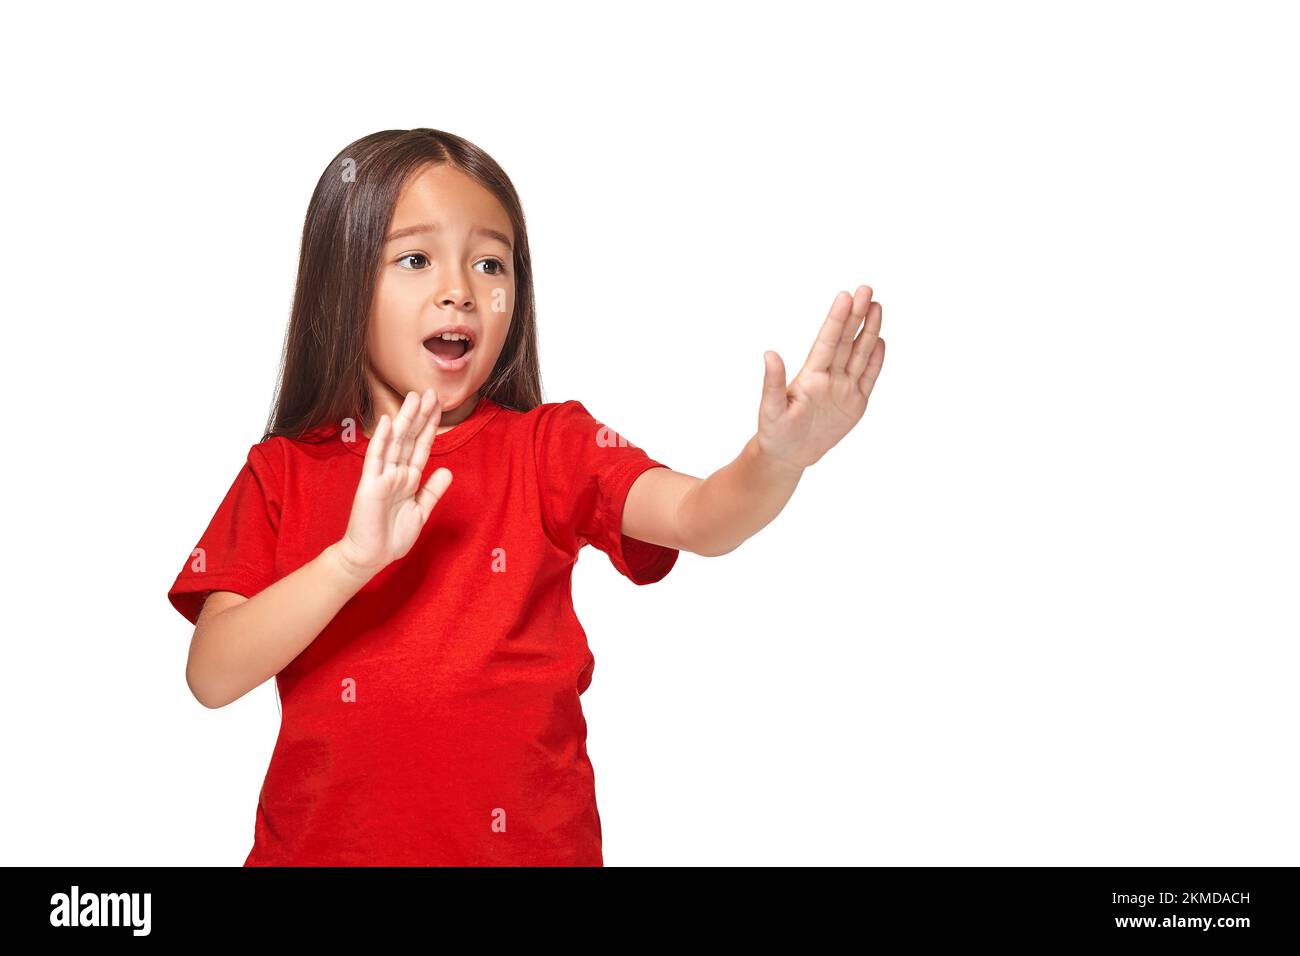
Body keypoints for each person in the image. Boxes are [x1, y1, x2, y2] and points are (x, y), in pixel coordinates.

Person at [166, 128, 887, 866]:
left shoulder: (552, 447)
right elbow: (212, 674)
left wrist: (776, 459)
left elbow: (700, 517)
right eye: (415, 259)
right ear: (342, 281)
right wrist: (350, 562)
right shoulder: (282, 470)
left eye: (489, 263)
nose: (461, 290)